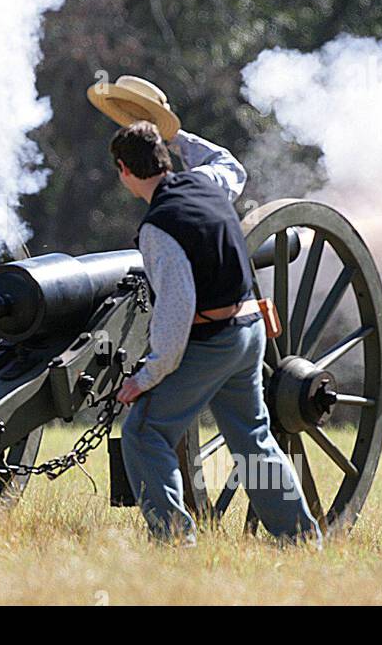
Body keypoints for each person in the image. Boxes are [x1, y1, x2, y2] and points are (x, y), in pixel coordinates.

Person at [108, 122, 319, 546]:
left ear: (123, 171)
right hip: (248, 332)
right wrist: (178, 133)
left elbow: (176, 310)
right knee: (253, 439)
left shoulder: (158, 228)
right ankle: (298, 538)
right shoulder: (204, 183)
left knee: (144, 433)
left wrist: (146, 377)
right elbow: (229, 165)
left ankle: (173, 540)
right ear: (164, 159)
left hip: (211, 342)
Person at [87, 74, 247, 202]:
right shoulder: (197, 187)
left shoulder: (161, 218)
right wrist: (173, 136)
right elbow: (231, 168)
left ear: (124, 168)